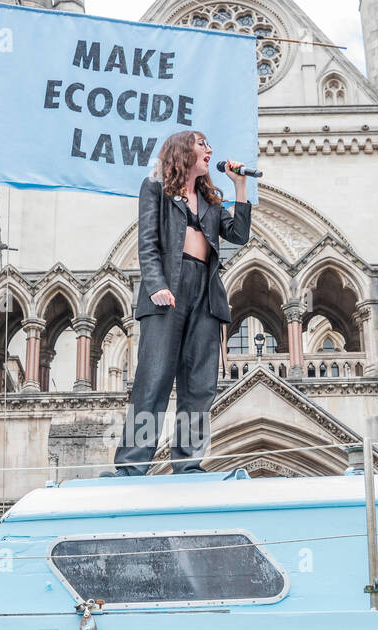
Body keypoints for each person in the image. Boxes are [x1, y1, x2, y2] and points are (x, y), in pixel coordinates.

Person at [109, 131, 251, 475]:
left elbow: (240, 235)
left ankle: (187, 463)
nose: (210, 149)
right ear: (183, 150)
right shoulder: (155, 188)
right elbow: (147, 241)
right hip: (168, 291)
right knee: (153, 379)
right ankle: (132, 464)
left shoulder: (210, 202)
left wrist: (240, 187)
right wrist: (156, 284)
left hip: (204, 291)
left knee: (200, 385)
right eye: (203, 144)